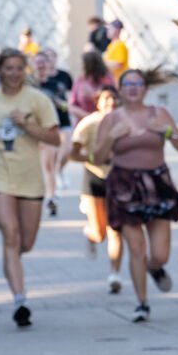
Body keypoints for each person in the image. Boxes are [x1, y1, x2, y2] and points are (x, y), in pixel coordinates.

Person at [0, 48, 62, 327]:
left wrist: (28, 125)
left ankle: (12, 262)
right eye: (9, 68)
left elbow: (55, 138)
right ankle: (20, 300)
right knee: (10, 234)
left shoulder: (38, 100)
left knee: (25, 243)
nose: (14, 73)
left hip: (30, 177)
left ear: (25, 70)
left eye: (19, 68)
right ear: (0, 70)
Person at [92, 68, 178, 323]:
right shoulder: (111, 119)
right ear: (120, 89)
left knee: (159, 253)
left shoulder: (159, 114)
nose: (133, 88)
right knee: (136, 248)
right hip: (124, 186)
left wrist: (166, 132)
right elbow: (97, 158)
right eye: (128, 84)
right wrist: (111, 139)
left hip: (157, 183)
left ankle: (154, 268)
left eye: (138, 84)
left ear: (145, 89)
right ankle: (142, 303)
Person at [70, 87, 125, 292]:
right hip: (94, 178)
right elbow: (73, 154)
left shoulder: (123, 121)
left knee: (116, 231)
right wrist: (95, 158)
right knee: (100, 232)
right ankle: (89, 234)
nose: (111, 103)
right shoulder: (89, 123)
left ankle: (114, 274)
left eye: (114, 100)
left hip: (119, 179)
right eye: (106, 100)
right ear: (98, 102)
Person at [33, 48, 74, 216]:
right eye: (39, 63)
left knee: (65, 153)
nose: (42, 66)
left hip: (60, 122)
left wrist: (61, 105)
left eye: (45, 62)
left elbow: (71, 100)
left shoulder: (62, 78)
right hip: (38, 127)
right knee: (46, 163)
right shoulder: (29, 84)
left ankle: (52, 194)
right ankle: (50, 195)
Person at [70, 49, 114, 120]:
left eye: (84, 63)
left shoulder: (106, 79)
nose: (82, 66)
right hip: (84, 123)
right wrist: (89, 118)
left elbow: (111, 100)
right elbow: (72, 105)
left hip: (103, 122)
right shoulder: (80, 80)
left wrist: (92, 95)